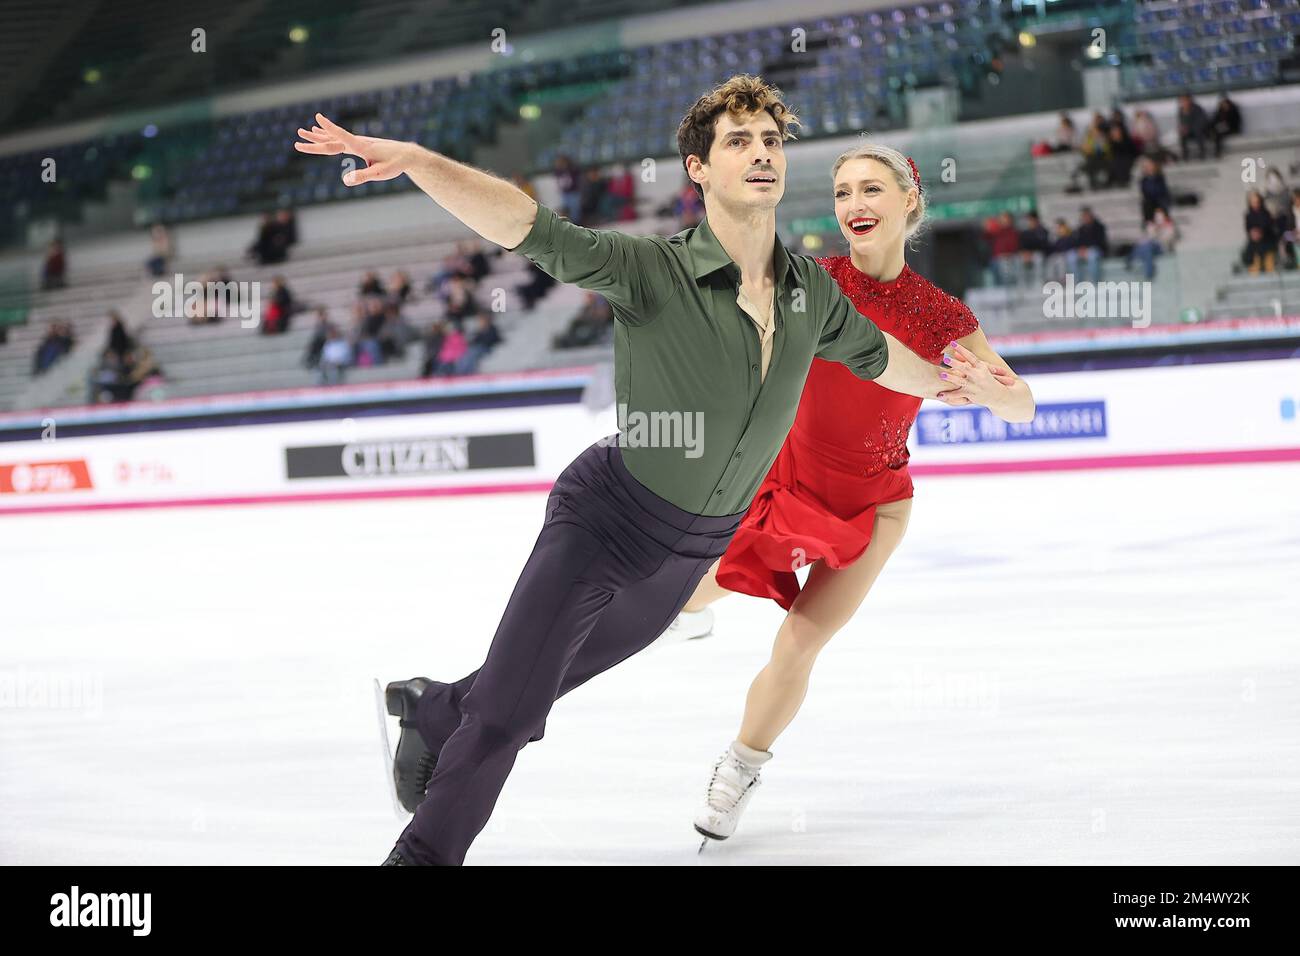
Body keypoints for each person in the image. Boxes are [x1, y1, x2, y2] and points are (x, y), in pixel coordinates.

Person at [295, 74, 995, 867]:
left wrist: (953, 379)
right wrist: (423, 160)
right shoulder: (649, 271)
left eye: (770, 140)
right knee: (508, 720)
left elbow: (884, 360)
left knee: (533, 682)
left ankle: (430, 710)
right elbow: (530, 226)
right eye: (738, 141)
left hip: (688, 557)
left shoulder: (812, 294)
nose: (761, 153)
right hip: (606, 521)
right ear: (698, 168)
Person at [654, 144, 1035, 842]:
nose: (854, 205)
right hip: (782, 483)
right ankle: (688, 607)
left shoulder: (939, 314)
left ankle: (739, 767)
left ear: (909, 201)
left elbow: (1025, 406)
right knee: (685, 593)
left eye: (871, 190)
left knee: (799, 642)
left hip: (873, 508)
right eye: (841, 192)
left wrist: (995, 392)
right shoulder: (812, 281)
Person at [1127, 207, 1178, 280]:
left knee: (1145, 246)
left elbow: (1165, 240)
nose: (1158, 218)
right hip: (1150, 247)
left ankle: (1131, 260)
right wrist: (1153, 230)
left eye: (1160, 216)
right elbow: (1147, 237)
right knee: (1143, 246)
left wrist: (1157, 230)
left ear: (1164, 216)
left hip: (1162, 248)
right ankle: (1146, 271)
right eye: (1156, 216)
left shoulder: (1169, 226)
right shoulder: (1151, 226)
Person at [1243, 189, 1277, 274]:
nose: (1255, 204)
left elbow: (1268, 226)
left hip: (1267, 239)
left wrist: (1260, 232)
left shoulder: (1266, 213)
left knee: (1264, 246)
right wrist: (1253, 233)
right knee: (1252, 247)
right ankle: (1255, 265)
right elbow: (1248, 228)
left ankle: (1267, 265)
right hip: (1255, 241)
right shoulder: (1248, 215)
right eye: (1253, 202)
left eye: (1257, 202)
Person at [1070, 207, 1108, 284]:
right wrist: (1079, 249)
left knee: (1092, 256)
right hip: (1083, 251)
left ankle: (1096, 281)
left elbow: (1100, 241)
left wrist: (1086, 248)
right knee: (1071, 257)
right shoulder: (1081, 229)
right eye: (1083, 216)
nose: (1085, 218)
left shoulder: (1099, 227)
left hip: (1096, 249)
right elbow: (1077, 242)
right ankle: (1078, 282)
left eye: (1086, 216)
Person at [1138, 156, 1173, 224]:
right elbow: (1145, 192)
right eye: (1147, 167)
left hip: (1160, 199)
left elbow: (1162, 190)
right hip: (1150, 200)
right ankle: (1149, 222)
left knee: (1161, 203)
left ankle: (1165, 220)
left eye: (1150, 166)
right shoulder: (1144, 180)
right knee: (1147, 204)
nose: (1149, 168)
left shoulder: (1159, 178)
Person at [1177, 93, 1210, 162]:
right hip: (1189, 132)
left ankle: (1202, 153)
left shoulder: (1197, 108)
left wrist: (1189, 128)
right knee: (1182, 135)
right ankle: (1185, 155)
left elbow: (1201, 122)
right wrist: (1182, 128)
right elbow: (1182, 122)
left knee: (1198, 132)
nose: (1183, 102)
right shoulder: (1181, 110)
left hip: (1200, 130)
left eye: (1184, 100)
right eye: (1182, 101)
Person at [1212, 93, 1241, 159]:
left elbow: (1236, 122)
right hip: (1223, 128)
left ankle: (1218, 152)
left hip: (1232, 128)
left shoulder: (1233, 109)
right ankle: (1216, 151)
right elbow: (1215, 120)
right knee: (1215, 132)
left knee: (1218, 134)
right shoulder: (1220, 109)